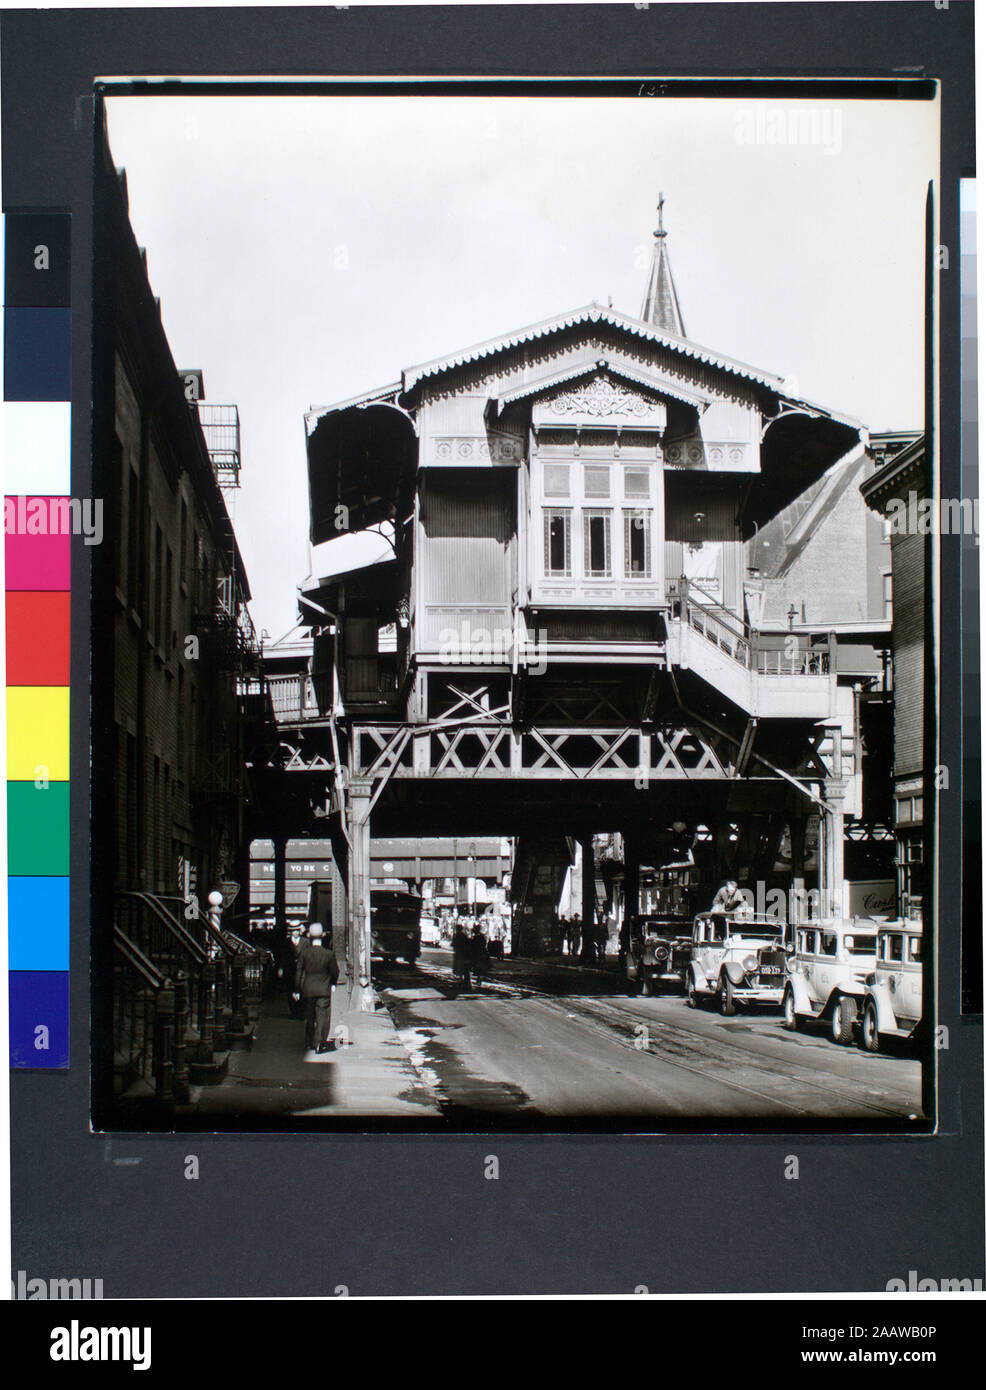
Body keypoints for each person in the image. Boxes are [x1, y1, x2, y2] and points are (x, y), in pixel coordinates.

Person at [292, 922, 339, 1054]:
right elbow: (335, 972)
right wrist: (333, 983)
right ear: (323, 936)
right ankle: (319, 1042)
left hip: (308, 989)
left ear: (309, 936)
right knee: (322, 1016)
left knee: (310, 1016)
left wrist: (297, 990)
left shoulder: (304, 953)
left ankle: (308, 1042)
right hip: (324, 990)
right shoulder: (328, 954)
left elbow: (299, 972)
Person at [452, 921, 472, 989]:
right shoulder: (463, 935)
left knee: (460, 967)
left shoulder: (456, 935)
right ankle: (465, 980)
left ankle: (462, 980)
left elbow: (453, 944)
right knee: (464, 968)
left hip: (460, 953)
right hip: (463, 953)